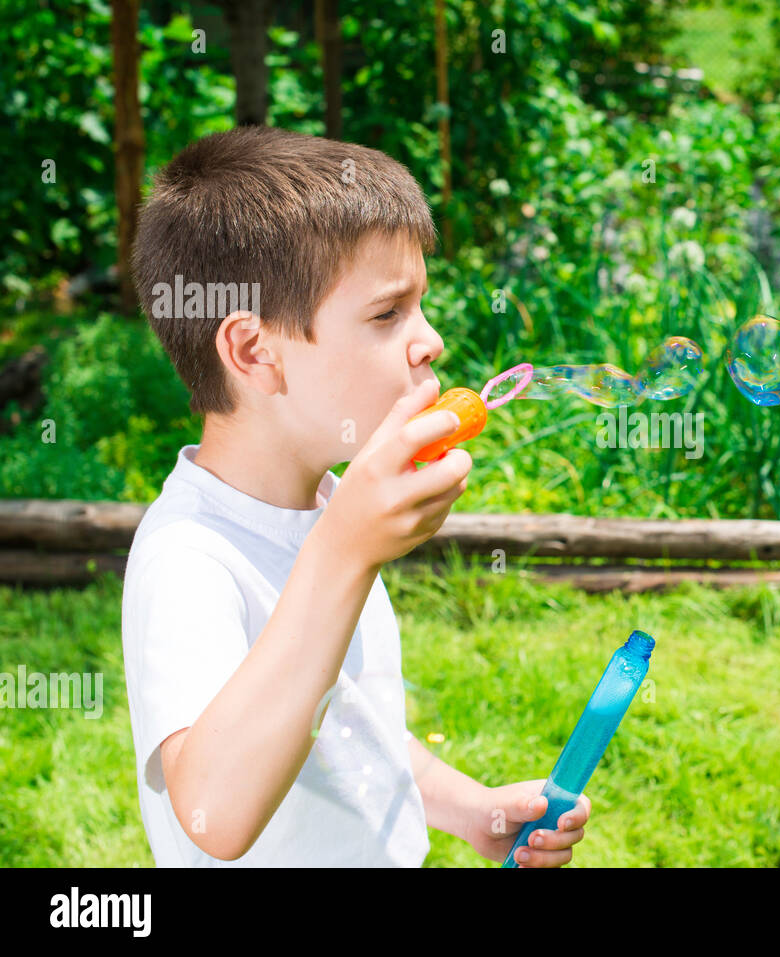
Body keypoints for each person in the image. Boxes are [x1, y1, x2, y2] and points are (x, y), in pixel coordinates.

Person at [120, 125, 588, 866]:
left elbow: (347, 725)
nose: (430, 341)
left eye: (420, 306)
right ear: (253, 352)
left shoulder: (324, 507)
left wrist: (473, 807)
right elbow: (213, 812)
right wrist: (343, 552)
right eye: (387, 313)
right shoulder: (190, 558)